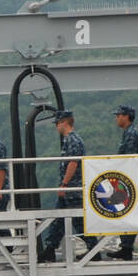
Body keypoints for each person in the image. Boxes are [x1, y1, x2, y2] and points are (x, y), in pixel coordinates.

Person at [39, 110, 96, 261]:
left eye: (57, 123)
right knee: (58, 220)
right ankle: (50, 250)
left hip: (73, 189)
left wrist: (64, 184)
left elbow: (73, 162)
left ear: (64, 122)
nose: (56, 126)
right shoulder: (69, 140)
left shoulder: (73, 140)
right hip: (70, 189)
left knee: (78, 221)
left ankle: (93, 250)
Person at [111, 104, 138, 260]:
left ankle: (129, 248)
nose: (117, 118)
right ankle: (126, 247)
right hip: (130, 182)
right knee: (132, 214)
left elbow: (129, 159)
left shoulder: (132, 134)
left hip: (132, 182)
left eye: (119, 115)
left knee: (132, 214)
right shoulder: (129, 133)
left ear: (126, 116)